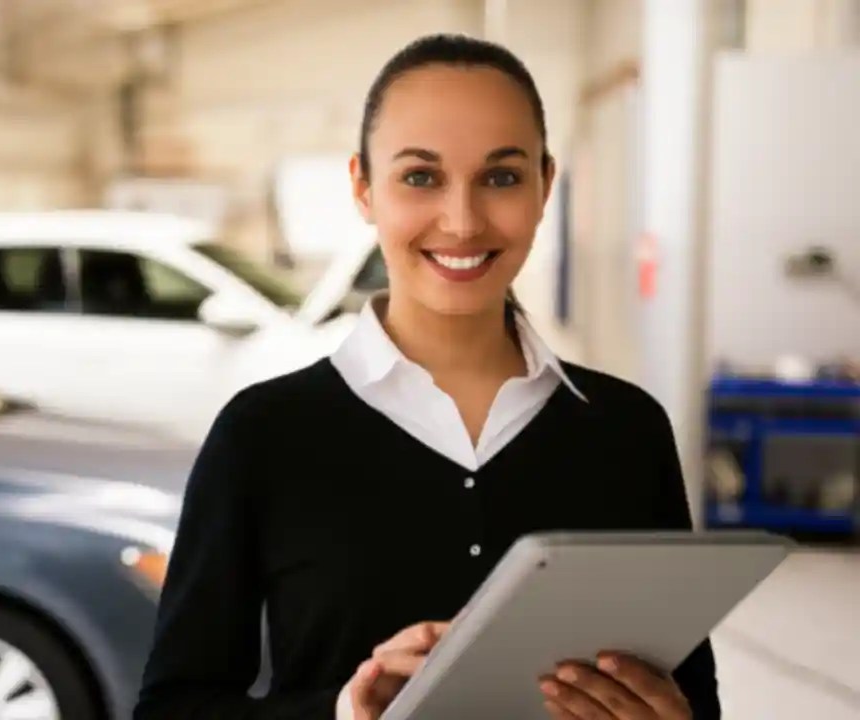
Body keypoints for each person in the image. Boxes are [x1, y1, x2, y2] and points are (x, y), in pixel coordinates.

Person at [134, 33, 721, 720]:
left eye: (501, 176)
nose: (463, 220)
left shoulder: (624, 429)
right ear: (363, 187)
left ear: (544, 186)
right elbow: (172, 709)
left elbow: (695, 700)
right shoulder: (264, 435)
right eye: (420, 177)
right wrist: (348, 712)